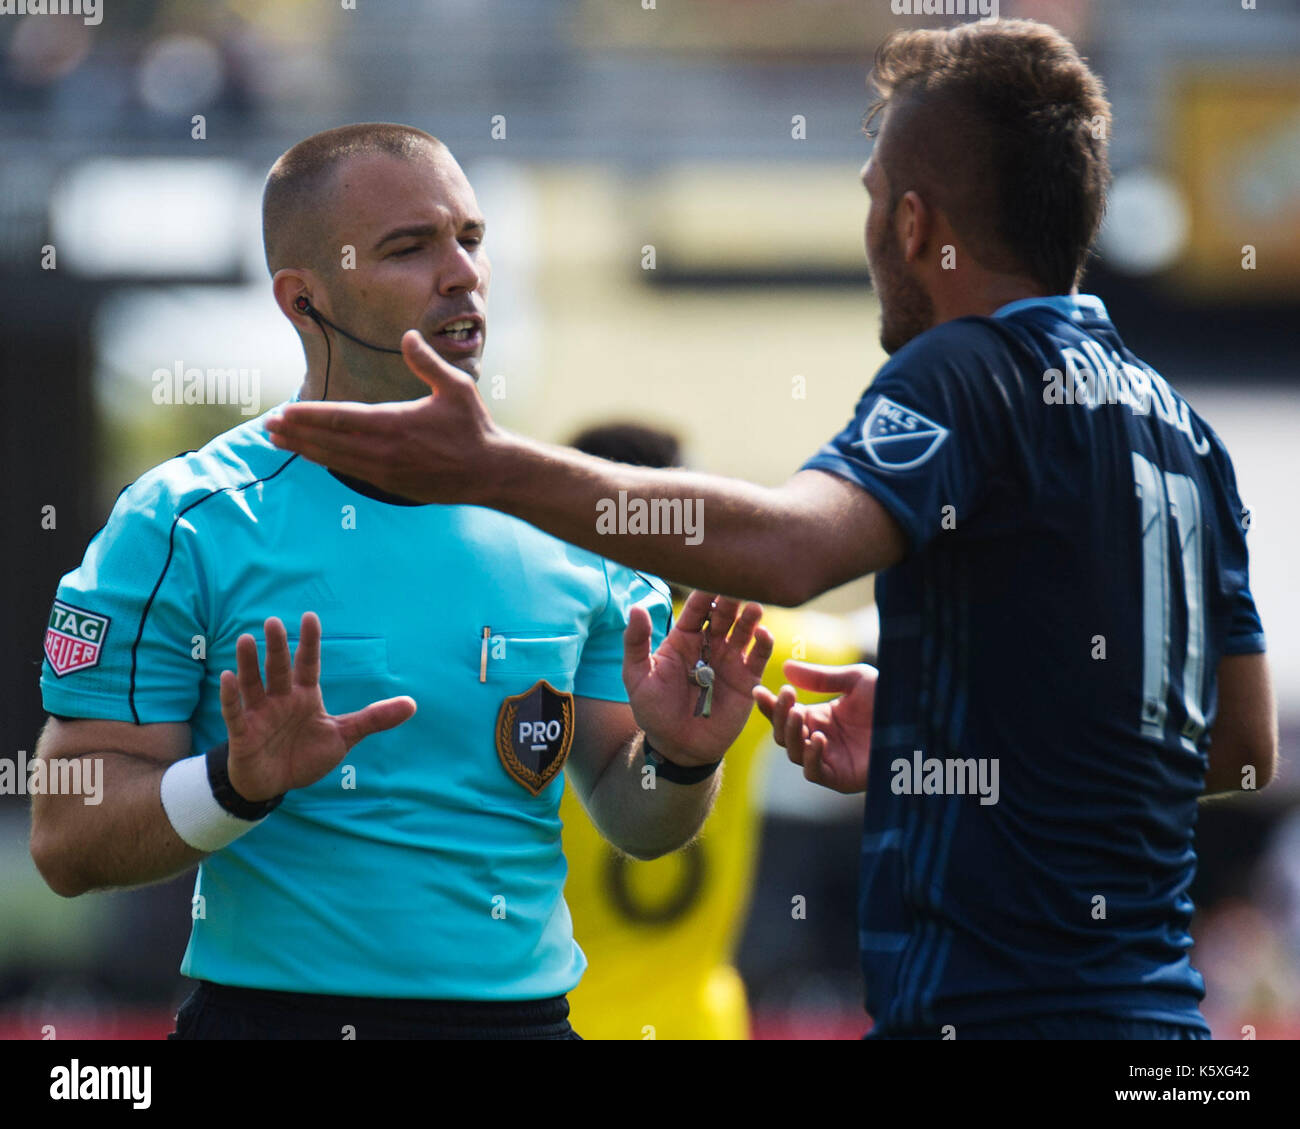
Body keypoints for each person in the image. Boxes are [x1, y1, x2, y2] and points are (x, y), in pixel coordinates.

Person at [265, 22, 1279, 1040]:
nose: (872, 231)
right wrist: (947, 740)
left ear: (918, 224)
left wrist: (493, 466)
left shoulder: (967, 371)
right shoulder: (1181, 428)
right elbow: (1236, 750)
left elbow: (792, 548)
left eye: (875, 200)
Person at [29, 123, 773, 1041]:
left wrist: (683, 758)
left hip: (524, 1026)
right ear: (305, 300)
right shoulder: (182, 520)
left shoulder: (575, 516)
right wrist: (235, 782)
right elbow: (65, 838)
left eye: (470, 237)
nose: (460, 272)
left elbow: (635, 817)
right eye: (409, 248)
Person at [559, 423, 865, 1040]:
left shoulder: (530, 655)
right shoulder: (750, 650)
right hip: (699, 1024)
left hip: (561, 1019)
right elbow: (884, 646)